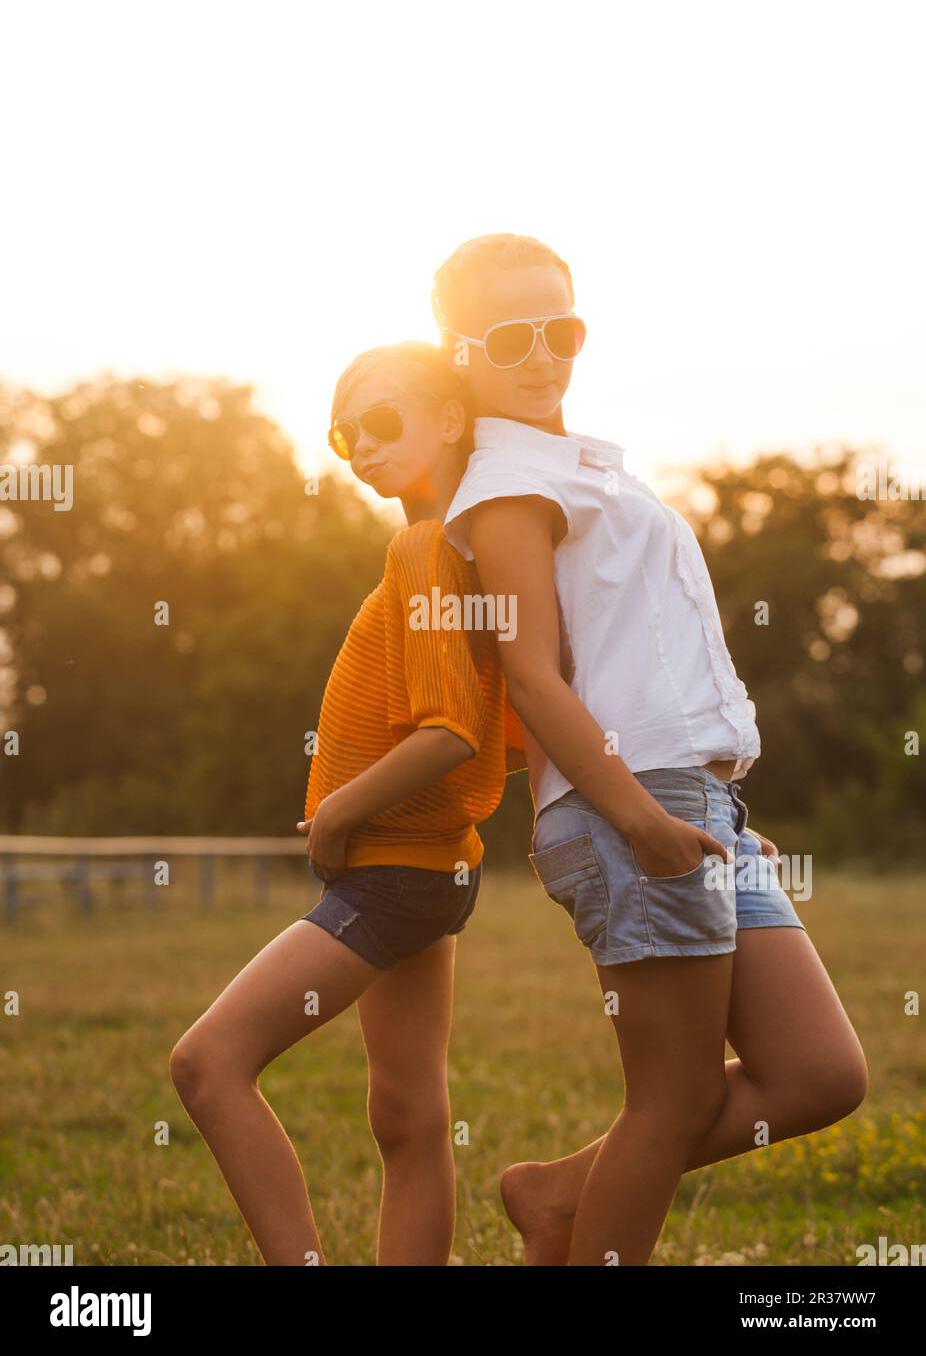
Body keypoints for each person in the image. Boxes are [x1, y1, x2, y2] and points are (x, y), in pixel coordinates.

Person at [432, 233, 869, 1265]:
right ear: (458, 352)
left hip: (698, 806)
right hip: (629, 806)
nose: (543, 355)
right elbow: (532, 677)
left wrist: (717, 811)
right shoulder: (504, 490)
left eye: (562, 329)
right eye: (510, 337)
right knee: (667, 1103)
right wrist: (639, 815)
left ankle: (552, 1196)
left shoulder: (586, 468)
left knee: (818, 1073)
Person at [169, 341, 524, 1266]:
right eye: (343, 433)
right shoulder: (467, 548)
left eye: (382, 422)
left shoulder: (424, 547)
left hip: (393, 877)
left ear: (450, 420)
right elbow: (492, 730)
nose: (360, 446)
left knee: (207, 1067)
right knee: (409, 1116)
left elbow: (448, 731)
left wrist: (335, 815)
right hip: (433, 871)